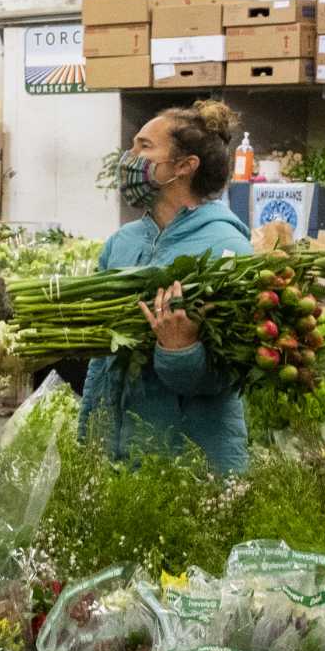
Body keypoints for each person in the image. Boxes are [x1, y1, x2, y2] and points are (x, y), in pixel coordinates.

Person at [79, 99, 253, 475]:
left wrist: (181, 351)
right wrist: (89, 439)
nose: (130, 157)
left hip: (190, 460)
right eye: (132, 145)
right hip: (121, 454)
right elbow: (102, 361)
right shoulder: (122, 243)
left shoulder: (228, 250)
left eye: (144, 146)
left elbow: (233, 374)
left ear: (185, 166)